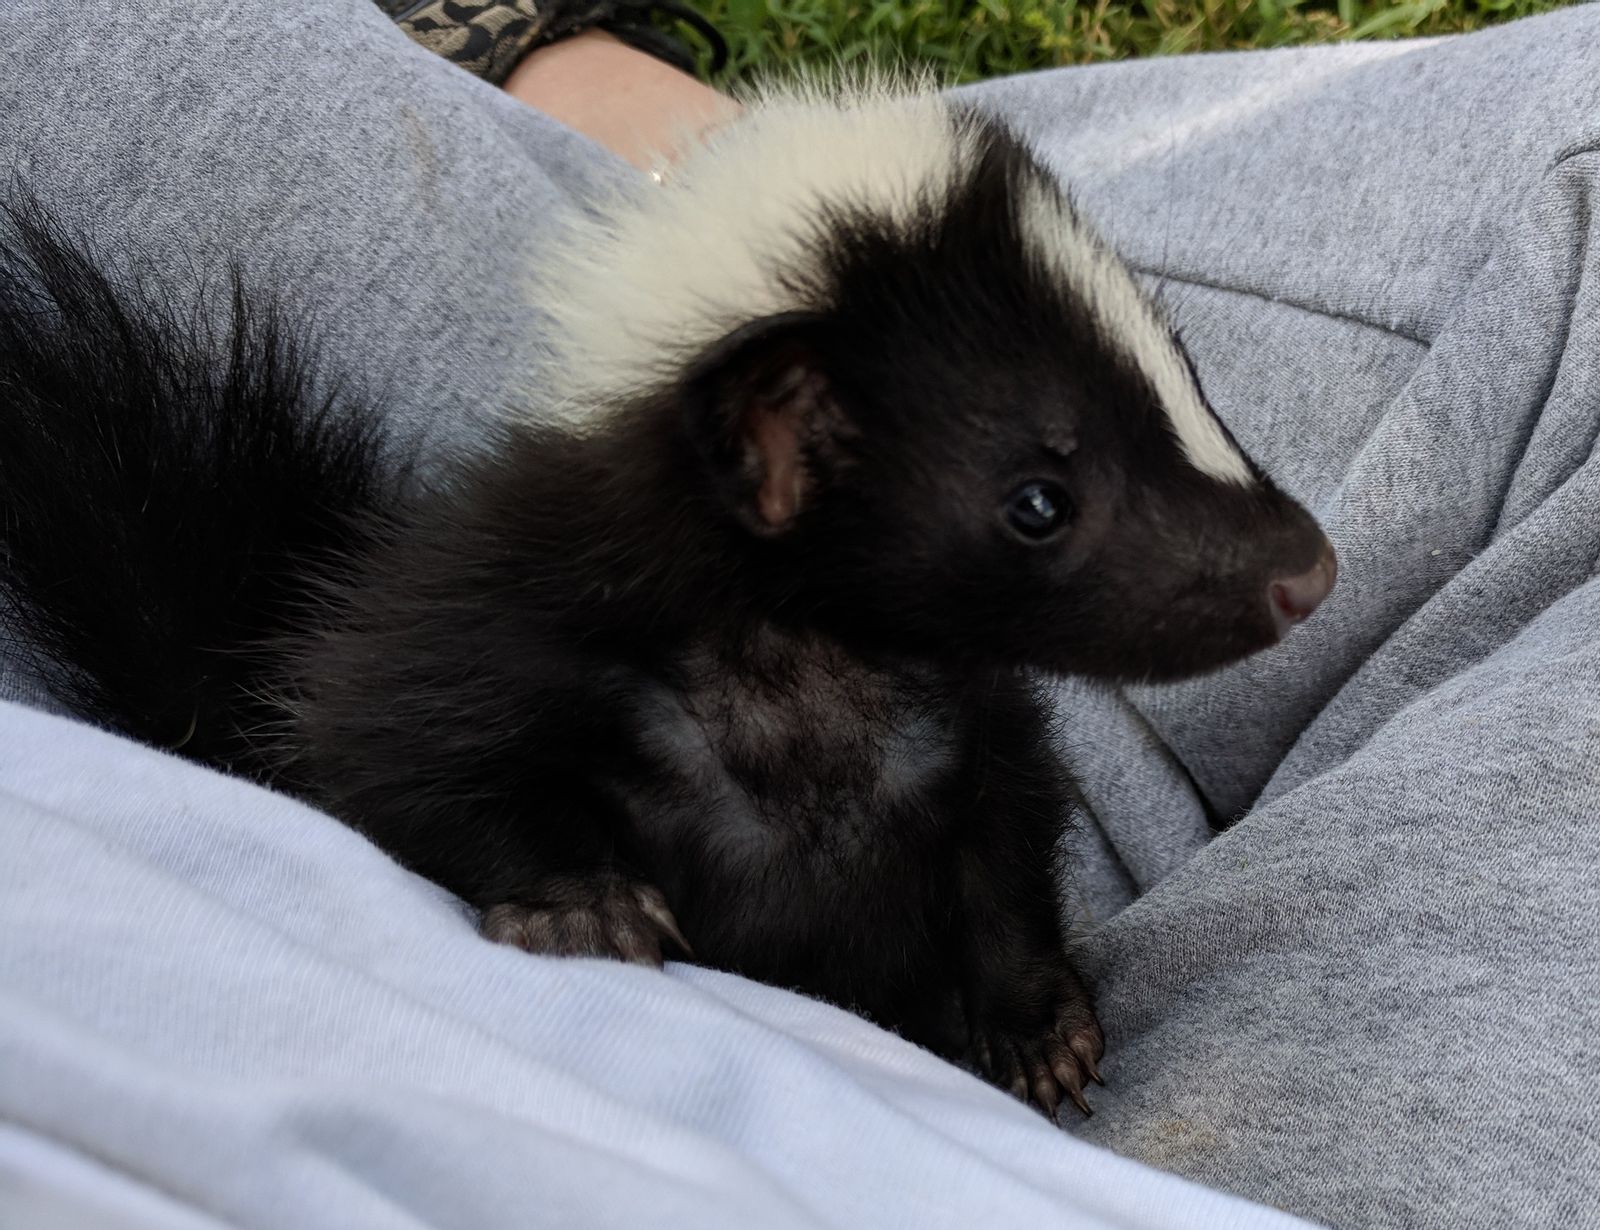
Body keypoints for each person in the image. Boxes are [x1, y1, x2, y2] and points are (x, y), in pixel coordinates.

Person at [2, 3, 1598, 1227]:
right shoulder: (542, 645)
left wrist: (1024, 982)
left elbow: (998, 811)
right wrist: (542, 876)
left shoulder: (890, 650)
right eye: (1044, 506)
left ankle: (549, 70)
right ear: (779, 453)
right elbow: (386, 750)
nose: (1278, 558)